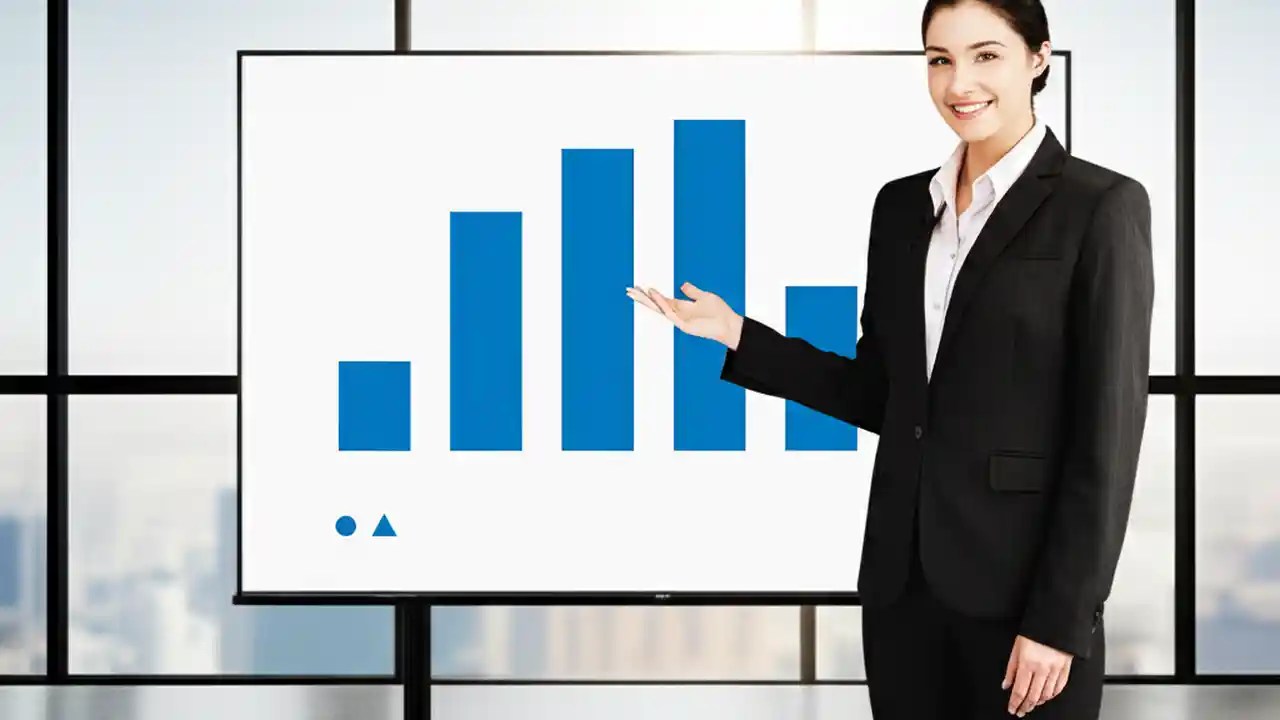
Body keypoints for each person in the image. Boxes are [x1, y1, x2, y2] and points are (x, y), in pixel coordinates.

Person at [627, 0, 1153, 717]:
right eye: (939, 59)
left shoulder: (1102, 207)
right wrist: (739, 335)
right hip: (902, 591)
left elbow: (1107, 439)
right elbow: (886, 393)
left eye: (986, 55)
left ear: (1039, 58)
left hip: (1026, 606)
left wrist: (1059, 621)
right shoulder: (903, 209)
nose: (958, 82)